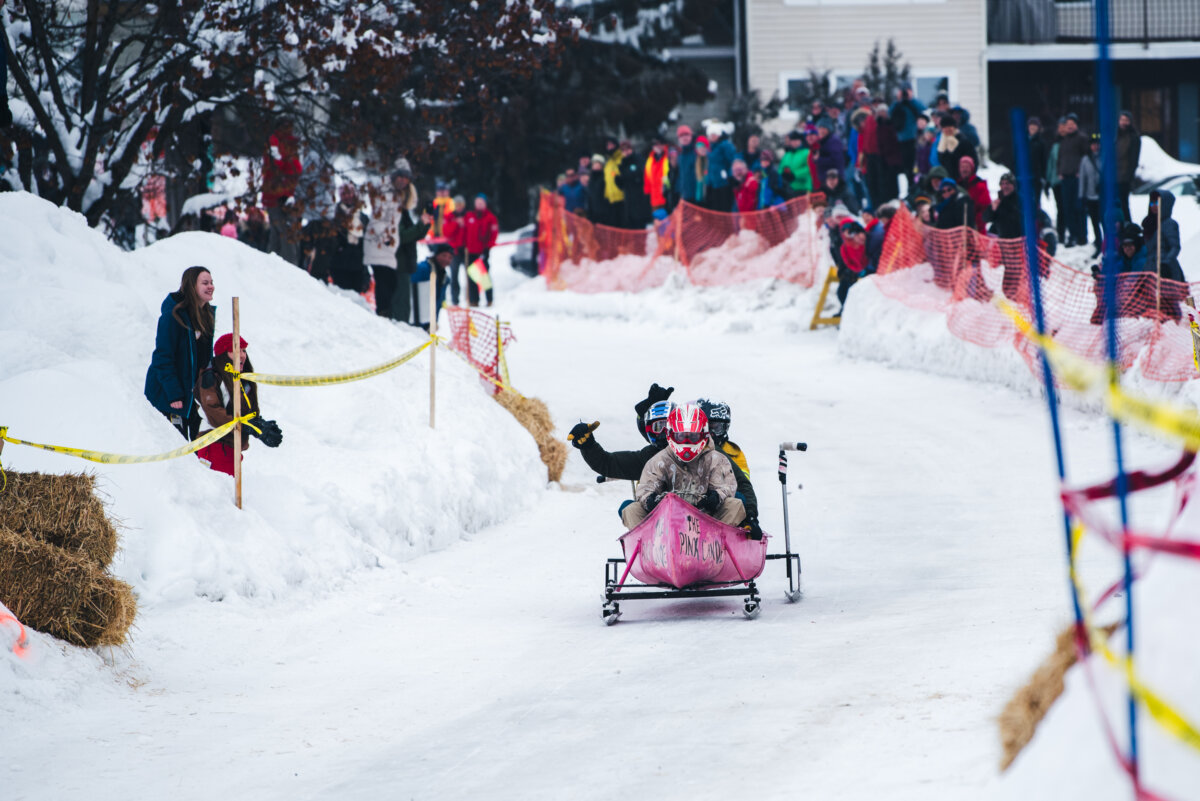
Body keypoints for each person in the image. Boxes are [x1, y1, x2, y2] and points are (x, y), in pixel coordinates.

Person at [620, 403, 745, 529]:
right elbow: (645, 488)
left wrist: (716, 497)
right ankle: (646, 544)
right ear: (671, 435)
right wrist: (650, 500)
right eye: (681, 436)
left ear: (704, 434)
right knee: (632, 509)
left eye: (693, 436)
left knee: (735, 505)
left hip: (707, 522)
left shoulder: (716, 459)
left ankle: (720, 541)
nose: (686, 442)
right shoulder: (659, 460)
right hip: (664, 525)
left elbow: (726, 487)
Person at [194, 334, 283, 476]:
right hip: (214, 445)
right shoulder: (211, 378)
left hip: (232, 449)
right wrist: (247, 426)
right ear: (223, 355)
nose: (242, 355)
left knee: (232, 495)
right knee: (221, 495)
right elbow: (213, 412)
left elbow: (247, 415)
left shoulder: (242, 382)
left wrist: (260, 427)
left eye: (244, 351)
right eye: (235, 350)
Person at [145, 266, 216, 440]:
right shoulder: (173, 316)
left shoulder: (206, 317)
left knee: (192, 451)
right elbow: (162, 358)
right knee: (175, 449)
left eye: (212, 282)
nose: (211, 286)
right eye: (205, 283)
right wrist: (174, 394)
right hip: (169, 398)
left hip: (190, 399)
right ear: (192, 286)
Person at [363, 164, 420, 321]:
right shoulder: (387, 198)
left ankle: (386, 319)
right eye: (400, 177)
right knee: (386, 288)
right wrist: (422, 226)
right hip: (383, 250)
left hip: (390, 253)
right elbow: (398, 233)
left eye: (406, 178)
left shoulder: (399, 206)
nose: (403, 181)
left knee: (390, 286)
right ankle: (384, 319)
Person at [697, 398, 760, 536]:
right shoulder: (690, 444)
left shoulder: (734, 453)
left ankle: (724, 537)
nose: (712, 433)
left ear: (725, 427)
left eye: (716, 427)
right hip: (695, 501)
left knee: (738, 499)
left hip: (722, 502)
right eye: (708, 427)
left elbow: (743, 484)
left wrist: (751, 515)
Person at [262, 122, 303, 266]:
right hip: (279, 198)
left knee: (279, 236)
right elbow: (275, 167)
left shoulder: (285, 143)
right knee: (286, 239)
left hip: (282, 197)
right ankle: (287, 271)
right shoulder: (276, 144)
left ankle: (273, 268)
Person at [1057, 113, 1090, 247]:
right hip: (1065, 178)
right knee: (1067, 207)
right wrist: (1060, 171)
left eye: (1072, 124)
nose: (1070, 126)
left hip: (1077, 178)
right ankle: (1072, 235)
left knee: (1079, 207)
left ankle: (1082, 235)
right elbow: (1060, 159)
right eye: (1068, 124)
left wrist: (1080, 172)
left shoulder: (1082, 139)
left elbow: (1086, 157)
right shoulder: (1063, 140)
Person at [330, 183, 370, 292]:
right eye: (344, 194)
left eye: (349, 193)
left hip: (358, 267)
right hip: (339, 267)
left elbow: (366, 245)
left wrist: (366, 274)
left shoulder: (363, 218)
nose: (347, 197)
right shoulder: (334, 217)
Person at [464, 194, 499, 307]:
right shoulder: (469, 216)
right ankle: (474, 300)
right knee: (472, 276)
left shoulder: (490, 217)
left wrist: (488, 247)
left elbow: (494, 234)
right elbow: (464, 231)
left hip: (483, 251)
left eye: (481, 203)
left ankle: (489, 299)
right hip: (471, 251)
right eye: (477, 202)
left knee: (484, 277)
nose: (479, 205)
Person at [412, 243, 454, 331]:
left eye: (450, 257)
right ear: (436, 255)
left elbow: (437, 302)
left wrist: (433, 321)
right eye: (444, 255)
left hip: (428, 322)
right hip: (415, 321)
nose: (447, 259)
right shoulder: (423, 269)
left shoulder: (444, 277)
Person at [890, 82, 927, 181]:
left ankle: (912, 183)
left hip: (912, 139)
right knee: (902, 168)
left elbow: (924, 111)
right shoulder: (897, 105)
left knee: (913, 167)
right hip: (899, 141)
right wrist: (898, 100)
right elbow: (889, 114)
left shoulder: (914, 104)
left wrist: (911, 99)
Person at [1079, 134, 1104, 257]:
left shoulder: (1105, 158)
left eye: (1097, 144)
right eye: (1093, 144)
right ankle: (1098, 243)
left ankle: (1107, 244)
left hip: (1103, 197)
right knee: (1094, 222)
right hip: (1090, 196)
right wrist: (1081, 196)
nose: (1095, 146)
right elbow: (1082, 179)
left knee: (1104, 221)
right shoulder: (1085, 159)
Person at [704, 123, 738, 213]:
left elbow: (732, 161)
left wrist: (730, 176)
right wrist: (709, 181)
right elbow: (711, 166)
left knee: (723, 209)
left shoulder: (725, 145)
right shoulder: (711, 148)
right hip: (713, 183)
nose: (712, 137)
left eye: (714, 134)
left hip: (723, 183)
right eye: (710, 135)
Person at [1116, 111, 1141, 225]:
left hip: (1125, 177)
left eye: (1126, 120)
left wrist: (1129, 176)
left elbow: (1134, 160)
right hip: (1114, 176)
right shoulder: (1115, 136)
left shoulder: (1133, 137)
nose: (1124, 123)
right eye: (1122, 120)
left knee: (1123, 204)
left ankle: (1127, 227)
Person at [836, 218, 868, 309]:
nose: (847, 232)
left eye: (849, 229)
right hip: (854, 273)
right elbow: (847, 262)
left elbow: (868, 254)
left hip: (868, 271)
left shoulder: (862, 239)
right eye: (844, 230)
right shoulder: (844, 247)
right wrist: (857, 270)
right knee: (843, 292)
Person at [442, 196, 467, 305]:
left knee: (472, 274)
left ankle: (473, 298)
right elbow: (446, 232)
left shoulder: (469, 216)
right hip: (455, 251)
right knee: (454, 276)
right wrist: (456, 223)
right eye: (457, 205)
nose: (459, 207)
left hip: (467, 250)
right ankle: (455, 300)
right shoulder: (449, 217)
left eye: (460, 204)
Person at [619, 140, 649, 228]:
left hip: (640, 199)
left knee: (640, 225)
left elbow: (639, 173)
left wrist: (628, 174)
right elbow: (622, 183)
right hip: (629, 201)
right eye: (623, 150)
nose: (626, 152)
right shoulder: (622, 164)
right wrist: (618, 180)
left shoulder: (638, 159)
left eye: (627, 149)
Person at [958, 156, 991, 232]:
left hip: (976, 228)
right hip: (959, 229)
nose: (964, 169)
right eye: (962, 167)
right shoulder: (957, 185)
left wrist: (975, 223)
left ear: (972, 169)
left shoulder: (980, 185)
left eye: (967, 167)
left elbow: (985, 208)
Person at [643, 136, 671, 218]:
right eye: (655, 145)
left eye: (660, 144)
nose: (658, 147)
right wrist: (647, 194)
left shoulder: (668, 157)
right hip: (654, 199)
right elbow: (647, 178)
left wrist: (668, 190)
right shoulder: (650, 160)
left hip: (667, 197)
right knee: (658, 225)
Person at [779, 130, 812, 197]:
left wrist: (795, 174)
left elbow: (809, 168)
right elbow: (780, 168)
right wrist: (783, 174)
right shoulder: (787, 155)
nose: (794, 143)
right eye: (792, 140)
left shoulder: (806, 153)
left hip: (802, 189)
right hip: (787, 189)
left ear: (800, 141)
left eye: (796, 140)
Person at [601, 137, 625, 228]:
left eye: (612, 144)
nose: (610, 147)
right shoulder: (608, 164)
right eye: (608, 145)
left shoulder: (622, 159)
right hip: (611, 200)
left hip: (622, 198)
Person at [814, 119, 846, 186]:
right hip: (826, 178)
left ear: (829, 129)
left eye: (824, 128)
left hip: (834, 178)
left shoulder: (833, 141)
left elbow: (835, 160)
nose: (821, 131)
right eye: (819, 128)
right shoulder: (823, 141)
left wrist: (818, 160)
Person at [1026, 117, 1048, 210]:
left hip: (1036, 177)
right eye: (1031, 128)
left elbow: (1043, 160)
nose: (1033, 130)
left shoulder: (1041, 143)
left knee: (1035, 200)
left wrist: (1043, 176)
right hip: (1024, 176)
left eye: (1035, 128)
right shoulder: (1023, 142)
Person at [676, 126, 697, 208]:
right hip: (684, 196)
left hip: (696, 196)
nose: (684, 138)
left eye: (687, 135)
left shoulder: (696, 152)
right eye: (682, 136)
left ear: (691, 136)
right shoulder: (680, 155)